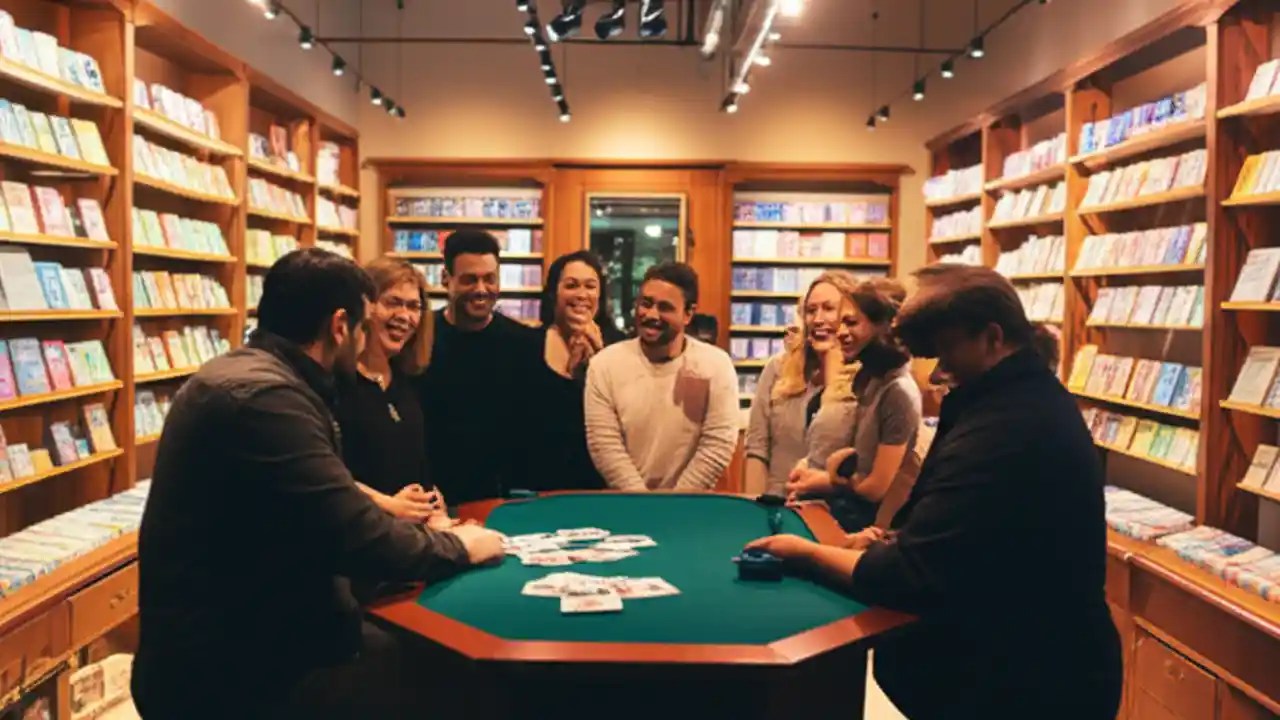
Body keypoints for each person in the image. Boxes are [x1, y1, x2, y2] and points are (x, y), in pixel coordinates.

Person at [133, 249, 505, 719]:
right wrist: (459, 546)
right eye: (365, 323)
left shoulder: (258, 378)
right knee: (454, 680)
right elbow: (354, 531)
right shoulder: (267, 400)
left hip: (250, 642)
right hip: (238, 673)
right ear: (339, 326)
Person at [746, 264, 1120, 719]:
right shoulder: (1016, 401)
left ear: (992, 337)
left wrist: (805, 553)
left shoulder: (1007, 427)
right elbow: (973, 532)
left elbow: (914, 573)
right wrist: (897, 538)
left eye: (947, 352)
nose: (940, 372)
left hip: (1025, 687)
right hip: (1020, 674)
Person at [585, 261, 739, 491]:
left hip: (691, 509)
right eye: (645, 304)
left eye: (665, 307)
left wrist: (673, 505)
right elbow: (605, 447)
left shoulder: (716, 366)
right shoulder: (604, 366)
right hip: (625, 506)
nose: (651, 314)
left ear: (688, 314)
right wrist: (644, 504)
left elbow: (717, 445)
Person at [786, 278, 923, 531]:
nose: (840, 332)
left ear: (883, 327)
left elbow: (876, 487)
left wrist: (831, 478)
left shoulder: (898, 392)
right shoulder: (873, 382)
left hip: (865, 529)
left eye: (851, 323)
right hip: (844, 514)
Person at [417, 229, 540, 504]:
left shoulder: (525, 345)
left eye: (490, 279)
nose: (481, 289)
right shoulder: (419, 339)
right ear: (445, 279)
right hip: (431, 500)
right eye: (470, 279)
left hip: (504, 501)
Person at [334, 257, 450, 527]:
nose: (405, 316)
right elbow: (323, 476)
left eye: (414, 306)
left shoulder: (408, 382)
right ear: (364, 307)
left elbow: (418, 467)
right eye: (393, 302)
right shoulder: (334, 382)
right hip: (358, 534)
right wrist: (390, 506)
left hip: (413, 534)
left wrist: (435, 507)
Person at [744, 272, 856, 497]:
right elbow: (757, 449)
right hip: (776, 504)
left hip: (833, 511)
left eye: (828, 308)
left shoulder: (865, 379)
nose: (817, 319)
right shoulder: (778, 369)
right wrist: (753, 508)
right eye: (811, 310)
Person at [524, 250, 624, 490]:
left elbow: (627, 417)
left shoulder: (620, 348)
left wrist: (599, 359)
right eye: (571, 285)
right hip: (537, 482)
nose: (581, 295)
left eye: (590, 286)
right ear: (553, 293)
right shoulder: (526, 344)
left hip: (601, 485)